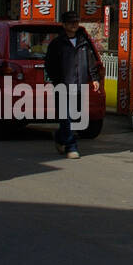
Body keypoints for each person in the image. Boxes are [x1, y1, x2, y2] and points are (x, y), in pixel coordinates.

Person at [44, 11, 97, 159]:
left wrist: (95, 78)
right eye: (71, 22)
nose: (74, 24)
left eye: (76, 21)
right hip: (63, 85)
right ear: (64, 25)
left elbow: (91, 61)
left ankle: (60, 137)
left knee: (74, 116)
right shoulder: (57, 44)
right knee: (65, 117)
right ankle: (71, 146)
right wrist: (56, 81)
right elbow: (49, 64)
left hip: (79, 85)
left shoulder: (84, 42)